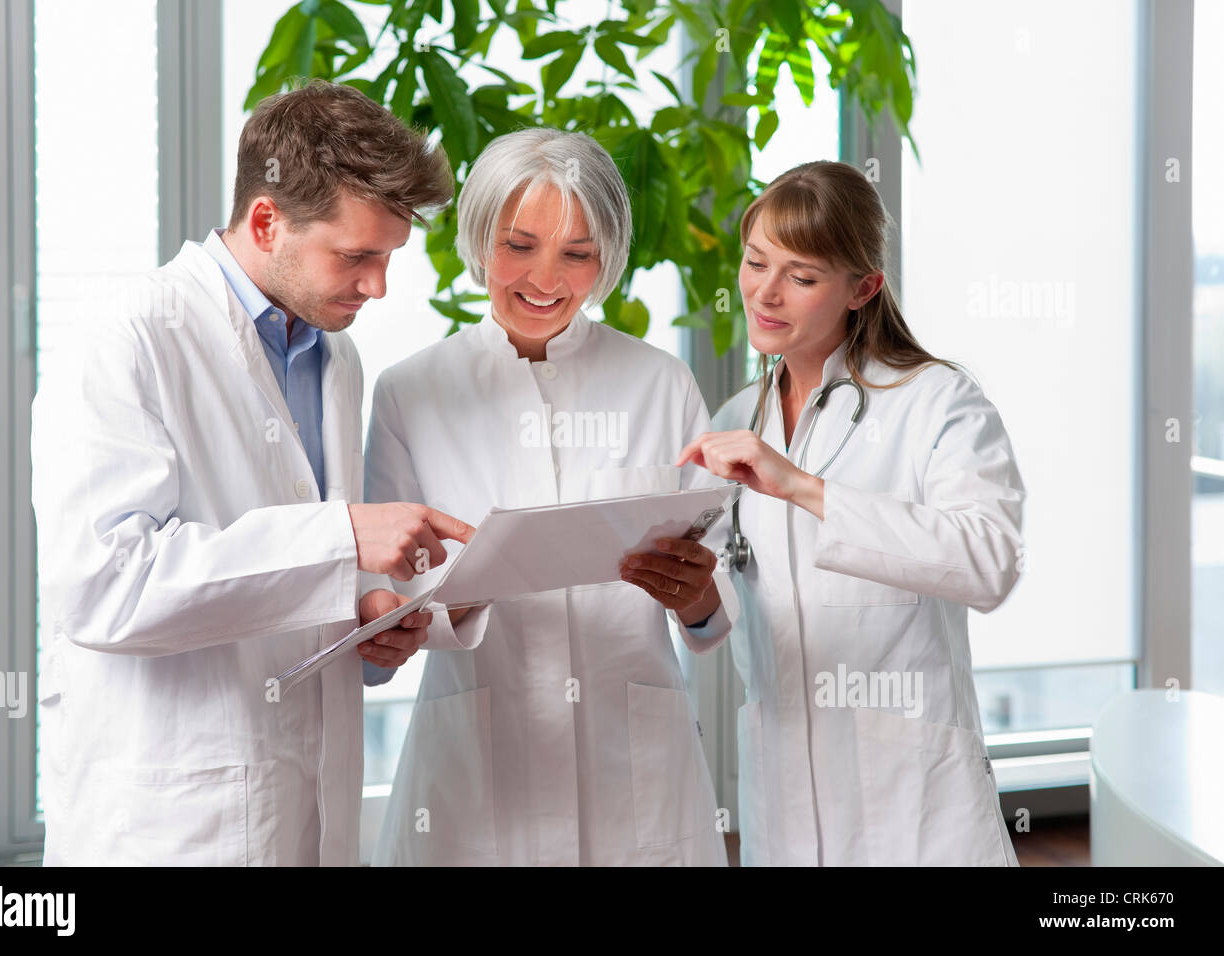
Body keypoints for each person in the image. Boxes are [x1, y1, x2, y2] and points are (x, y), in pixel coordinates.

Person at [31, 81, 473, 866]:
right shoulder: (126, 336)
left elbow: (279, 573)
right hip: (169, 822)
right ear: (266, 220)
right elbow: (103, 587)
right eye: (356, 256)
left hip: (306, 808)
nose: (378, 286)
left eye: (388, 257)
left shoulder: (336, 357)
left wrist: (360, 614)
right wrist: (337, 539)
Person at [366, 128, 737, 866]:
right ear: (478, 242)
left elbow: (719, 599)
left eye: (578, 252)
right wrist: (449, 602)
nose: (546, 276)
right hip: (476, 768)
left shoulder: (659, 384)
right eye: (519, 244)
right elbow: (383, 608)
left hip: (637, 767)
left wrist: (697, 598)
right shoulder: (413, 392)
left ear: (608, 259)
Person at [677, 160, 1025, 866]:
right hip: (784, 796)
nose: (765, 293)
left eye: (802, 277)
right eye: (755, 262)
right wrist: (691, 602)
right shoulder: (738, 416)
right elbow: (726, 622)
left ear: (862, 287)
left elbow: (990, 562)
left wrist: (802, 486)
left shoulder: (936, 402)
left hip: (913, 796)